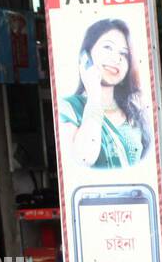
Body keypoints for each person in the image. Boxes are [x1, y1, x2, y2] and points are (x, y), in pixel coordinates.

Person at [60, 19, 152, 169]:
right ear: (86, 55)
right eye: (108, 47)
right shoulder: (69, 107)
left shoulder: (135, 114)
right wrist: (94, 96)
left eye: (123, 53)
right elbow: (85, 157)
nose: (116, 58)